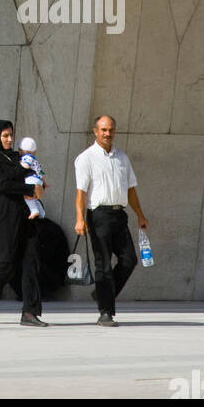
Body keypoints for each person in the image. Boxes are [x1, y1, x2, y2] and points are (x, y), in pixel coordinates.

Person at [74, 114, 148, 326]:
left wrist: (140, 215)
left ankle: (102, 293)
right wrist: (80, 219)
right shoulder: (86, 158)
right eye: (104, 130)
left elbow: (131, 189)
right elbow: (80, 193)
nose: (108, 134)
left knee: (129, 260)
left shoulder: (122, 157)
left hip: (119, 215)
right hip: (99, 215)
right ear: (95, 131)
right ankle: (106, 312)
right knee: (103, 264)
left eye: (111, 130)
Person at [0, 118, 47, 327]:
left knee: (31, 261)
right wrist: (28, 186)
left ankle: (30, 312)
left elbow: (32, 172)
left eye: (11, 135)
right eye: (5, 136)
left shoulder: (18, 156)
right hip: (7, 213)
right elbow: (3, 183)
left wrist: (39, 182)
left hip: (26, 212)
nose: (9, 139)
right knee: (8, 264)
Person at [18, 137, 46, 219]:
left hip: (30, 179)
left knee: (27, 196)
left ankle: (34, 211)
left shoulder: (27, 158)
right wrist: (44, 182)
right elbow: (41, 172)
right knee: (34, 199)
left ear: (20, 151)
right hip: (38, 180)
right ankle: (41, 212)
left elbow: (26, 166)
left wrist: (19, 164)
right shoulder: (36, 161)